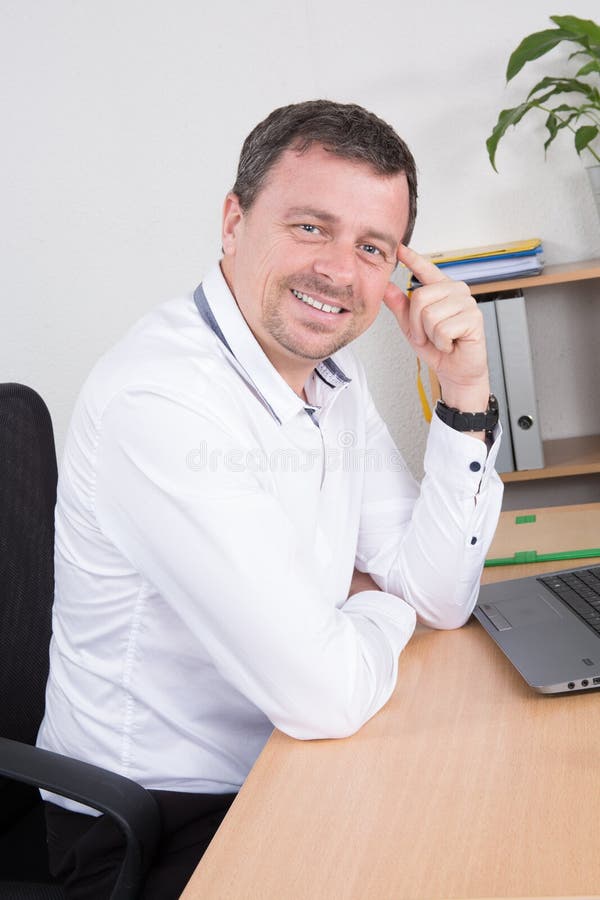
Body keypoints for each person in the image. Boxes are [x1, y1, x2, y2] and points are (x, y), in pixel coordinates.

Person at [37, 99, 503, 897]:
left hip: (288, 767)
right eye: (310, 227)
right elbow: (324, 693)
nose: (338, 272)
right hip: (150, 823)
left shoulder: (331, 371)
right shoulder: (161, 402)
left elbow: (438, 595)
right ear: (233, 219)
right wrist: (380, 608)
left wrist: (463, 390)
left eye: (372, 247)